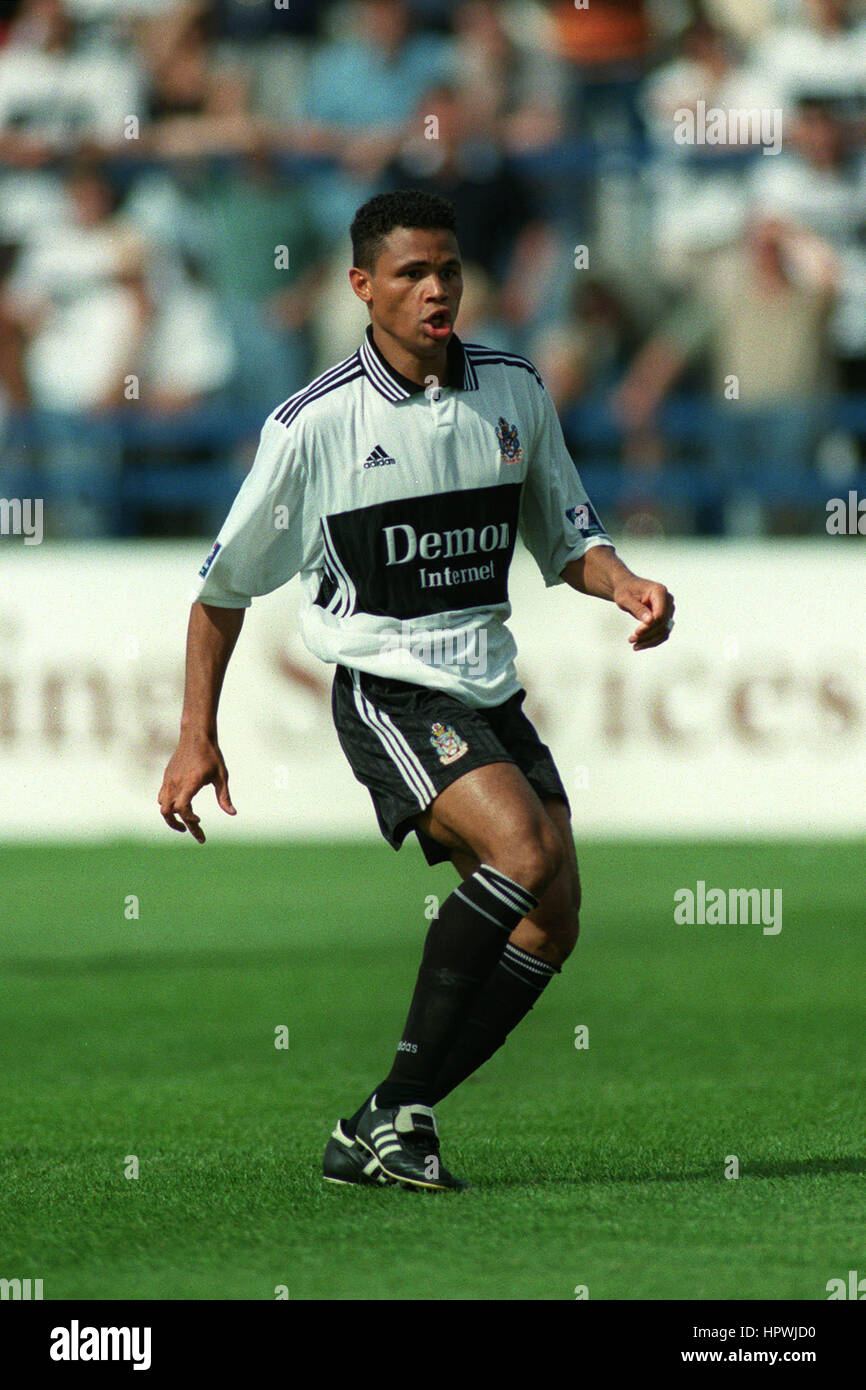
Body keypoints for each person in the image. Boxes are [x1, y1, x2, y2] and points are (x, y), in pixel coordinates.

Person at [158, 189, 675, 1191]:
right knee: (519, 850)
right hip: (389, 690)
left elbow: (567, 537)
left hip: (486, 685)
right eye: (409, 273)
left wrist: (625, 585)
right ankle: (393, 1115)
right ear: (360, 287)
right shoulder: (312, 426)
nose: (435, 288)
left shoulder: (514, 390)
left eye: (446, 269)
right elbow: (220, 591)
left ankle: (390, 1117)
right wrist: (195, 735)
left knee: (552, 914)